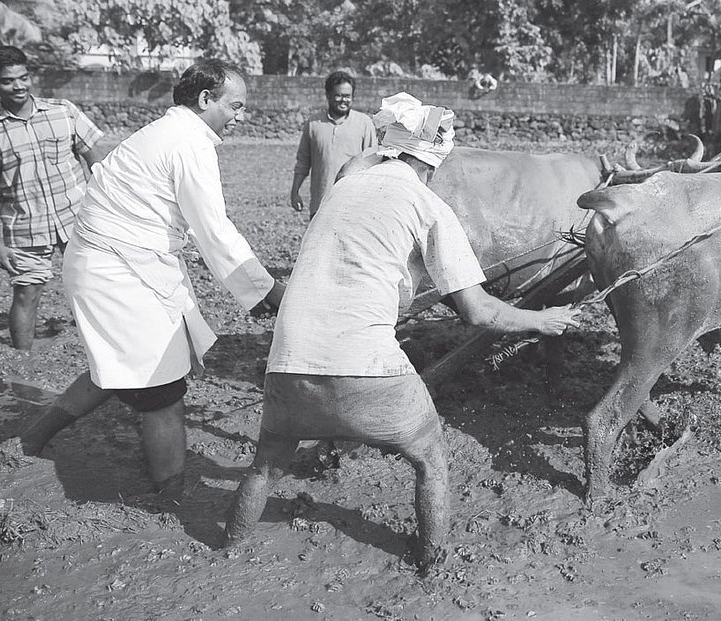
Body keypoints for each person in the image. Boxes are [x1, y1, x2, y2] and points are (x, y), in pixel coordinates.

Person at [221, 92, 579, 572]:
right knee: (430, 456)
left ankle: (229, 549)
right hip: (366, 367)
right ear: (436, 158)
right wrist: (543, 320)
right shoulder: (429, 207)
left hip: (287, 363)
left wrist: (390, 146)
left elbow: (354, 163)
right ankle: (432, 565)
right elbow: (478, 313)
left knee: (265, 465)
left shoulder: (343, 187)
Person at [0, 60, 286, 501]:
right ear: (207, 99)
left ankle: (32, 439)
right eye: (237, 106)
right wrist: (268, 290)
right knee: (162, 389)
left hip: (115, 263)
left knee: (116, 363)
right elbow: (213, 229)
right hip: (117, 269)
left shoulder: (168, 133)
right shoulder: (189, 142)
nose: (240, 116)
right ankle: (171, 498)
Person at [0, 46, 104, 350]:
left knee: (95, 285)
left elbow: (94, 159)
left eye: (23, 77)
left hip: (77, 218)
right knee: (27, 294)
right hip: (25, 227)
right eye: (7, 81)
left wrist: (107, 208)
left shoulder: (63, 111)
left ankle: (106, 348)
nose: (18, 86)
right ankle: (22, 361)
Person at [289, 70, 377, 218]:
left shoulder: (364, 123)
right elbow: (303, 163)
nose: (343, 100)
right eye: (339, 95)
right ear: (328, 95)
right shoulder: (314, 124)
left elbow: (373, 163)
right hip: (321, 206)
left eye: (347, 96)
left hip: (353, 207)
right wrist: (295, 191)